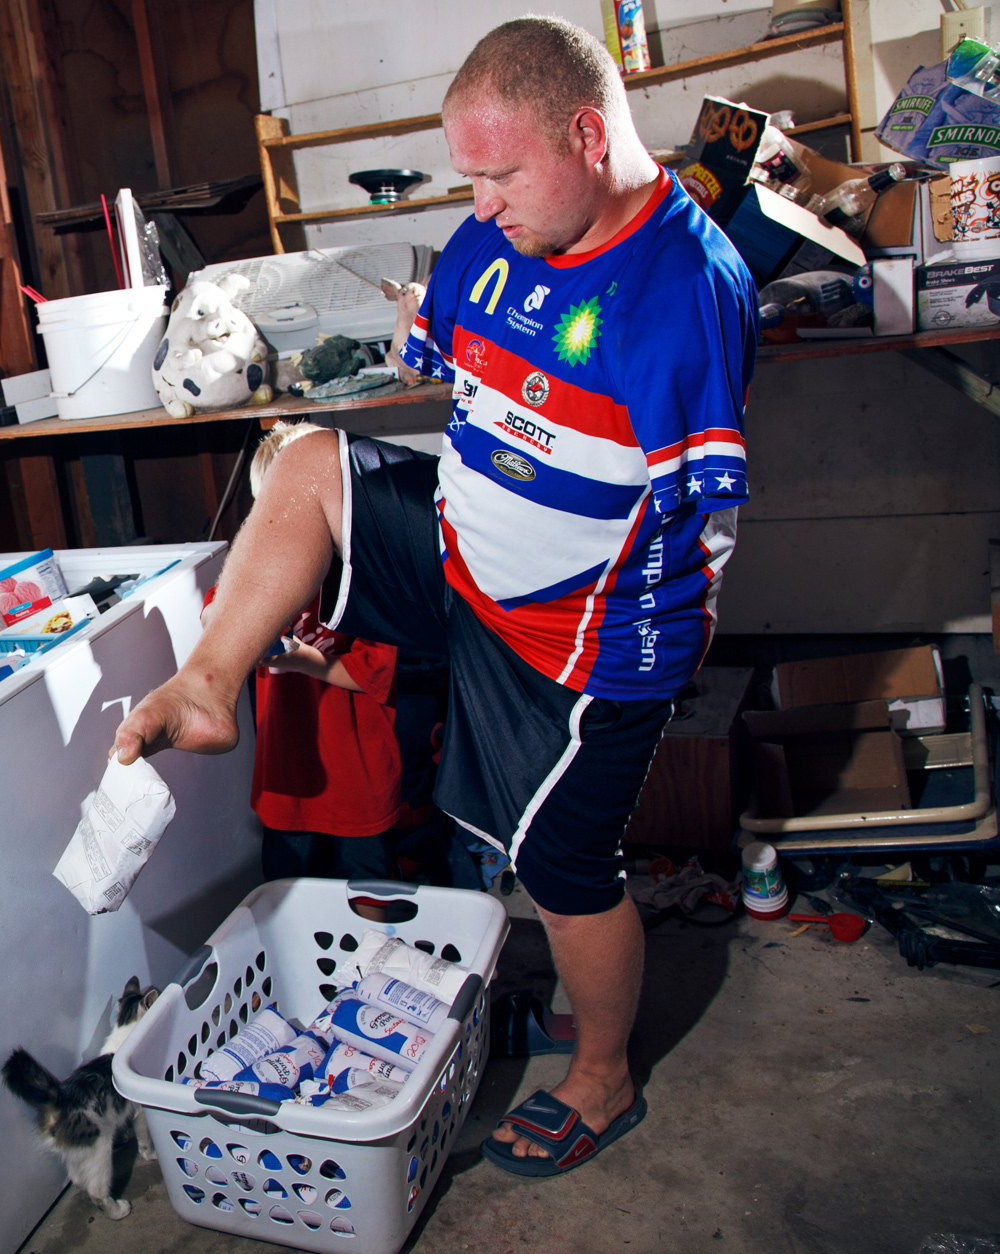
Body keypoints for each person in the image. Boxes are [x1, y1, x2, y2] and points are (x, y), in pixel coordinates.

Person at [112, 15, 754, 1179]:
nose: (483, 202)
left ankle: (602, 1078)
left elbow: (688, 521)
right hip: (467, 562)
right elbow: (446, 376)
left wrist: (610, 677)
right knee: (308, 461)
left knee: (563, 868)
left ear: (587, 133)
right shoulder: (493, 238)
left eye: (503, 172)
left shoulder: (682, 286)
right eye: (469, 175)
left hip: (587, 634)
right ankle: (207, 684)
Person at [208, 422, 404, 882]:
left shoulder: (371, 580)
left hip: (359, 783)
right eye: (269, 521)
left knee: (370, 899)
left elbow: (372, 674)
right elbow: (213, 612)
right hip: (287, 785)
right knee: (289, 900)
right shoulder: (255, 580)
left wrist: (296, 657)